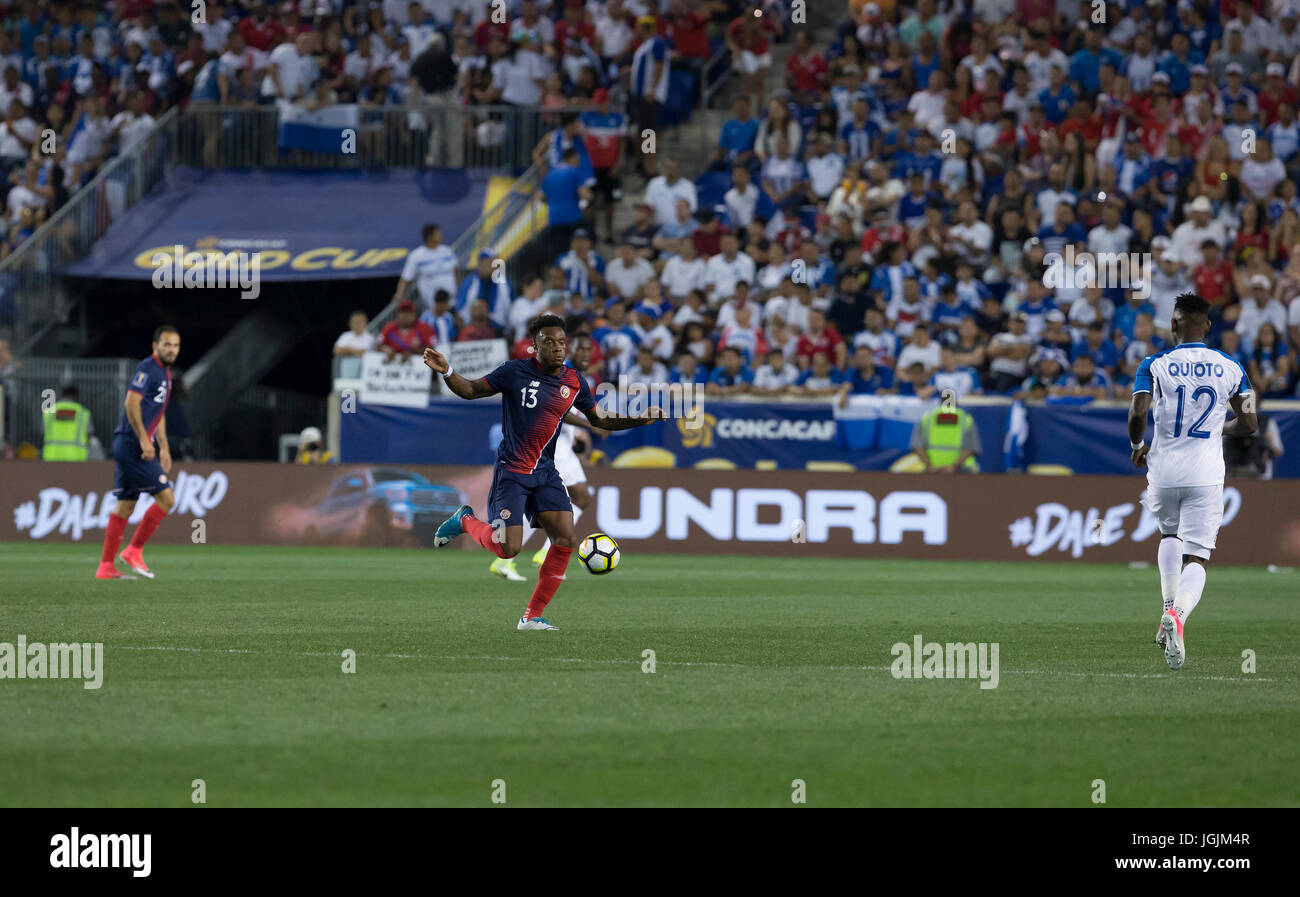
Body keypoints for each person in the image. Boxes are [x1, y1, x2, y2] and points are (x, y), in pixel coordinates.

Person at [424, 314, 664, 630]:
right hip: (512, 472)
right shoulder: (514, 371)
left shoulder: (575, 381)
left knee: (565, 537)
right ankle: (465, 520)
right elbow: (469, 390)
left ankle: (531, 616)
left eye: (561, 342)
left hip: (546, 473)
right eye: (549, 341)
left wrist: (639, 418)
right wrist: (449, 371)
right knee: (508, 549)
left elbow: (599, 419)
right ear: (534, 345)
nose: (558, 347)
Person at [1129, 293, 1257, 671]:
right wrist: (1222, 428)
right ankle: (1179, 616)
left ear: (1173, 325)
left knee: (1169, 537)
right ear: (1208, 327)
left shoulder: (1154, 363)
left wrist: (1137, 445)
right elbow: (1250, 424)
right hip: (1205, 476)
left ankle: (1168, 606)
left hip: (1164, 472)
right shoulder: (1231, 366)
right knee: (1198, 556)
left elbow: (1138, 411)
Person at [96, 325, 180, 580]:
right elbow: (130, 402)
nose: (171, 350)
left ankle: (106, 567)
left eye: (176, 345)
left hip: (131, 444)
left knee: (125, 507)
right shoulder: (148, 368)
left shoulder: (165, 374)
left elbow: (158, 412)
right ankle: (134, 550)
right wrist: (145, 441)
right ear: (155, 346)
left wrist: (164, 446)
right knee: (167, 499)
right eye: (166, 344)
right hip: (131, 445)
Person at [393, 223, 457, 313]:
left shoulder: (447, 251)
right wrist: (400, 293)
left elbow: (455, 271)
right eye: (438, 233)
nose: (441, 235)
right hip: (431, 305)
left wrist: (459, 288)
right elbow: (406, 277)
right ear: (430, 237)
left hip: (451, 302)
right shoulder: (417, 255)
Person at [41, 384, 93, 461]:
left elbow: (42, 432)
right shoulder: (83, 413)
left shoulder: (48, 412)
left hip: (51, 457)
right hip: (76, 458)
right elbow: (89, 435)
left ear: (62, 395)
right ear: (76, 396)